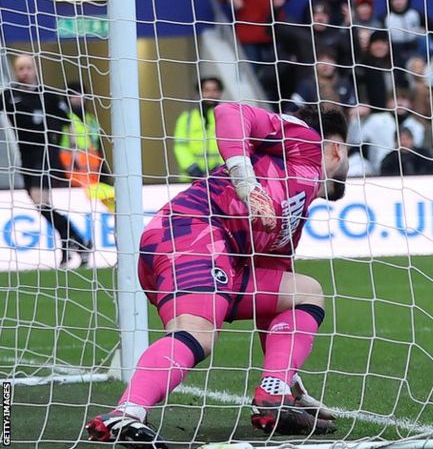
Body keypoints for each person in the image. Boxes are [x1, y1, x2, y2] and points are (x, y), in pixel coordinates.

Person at [85, 102, 350, 444]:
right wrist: (247, 185)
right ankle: (127, 413)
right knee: (197, 334)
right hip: (193, 235)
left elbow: (272, 308)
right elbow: (229, 112)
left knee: (304, 291)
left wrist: (289, 386)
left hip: (210, 255)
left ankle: (274, 393)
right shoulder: (306, 143)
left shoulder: (295, 210)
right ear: (337, 148)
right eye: (349, 153)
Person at [2, 55, 91, 266]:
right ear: (16, 71)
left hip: (46, 154)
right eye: (21, 68)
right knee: (42, 205)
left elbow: (67, 123)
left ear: (35, 70)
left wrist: (74, 151)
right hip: (26, 156)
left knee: (41, 202)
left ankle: (77, 241)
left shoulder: (48, 95)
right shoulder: (9, 95)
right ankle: (74, 242)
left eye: (28, 68)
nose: (25, 72)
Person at [59, 81, 115, 212]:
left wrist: (104, 173)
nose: (79, 98)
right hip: (72, 176)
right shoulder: (64, 119)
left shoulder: (91, 119)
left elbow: (98, 147)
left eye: (81, 94)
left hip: (93, 175)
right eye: (74, 95)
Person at [173, 77, 225, 182]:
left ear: (219, 93)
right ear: (199, 92)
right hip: (190, 179)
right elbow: (180, 146)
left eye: (214, 90)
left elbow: (231, 145)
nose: (210, 94)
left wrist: (220, 168)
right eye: (206, 90)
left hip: (221, 178)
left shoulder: (227, 119)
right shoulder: (186, 119)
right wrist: (193, 169)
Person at [385, 0, 433, 65]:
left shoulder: (415, 14)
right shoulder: (386, 18)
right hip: (395, 52)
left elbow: (432, 28)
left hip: (415, 49)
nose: (399, 2)